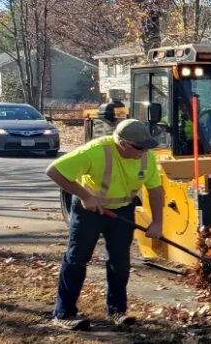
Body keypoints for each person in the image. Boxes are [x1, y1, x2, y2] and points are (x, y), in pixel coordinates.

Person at [45, 119, 165, 330]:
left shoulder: (146, 157)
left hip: (122, 210)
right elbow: (54, 170)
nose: (143, 152)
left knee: (120, 261)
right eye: (138, 147)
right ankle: (63, 313)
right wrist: (85, 196)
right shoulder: (95, 151)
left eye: (146, 147)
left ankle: (117, 311)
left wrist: (157, 222)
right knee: (77, 258)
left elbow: (155, 190)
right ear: (122, 143)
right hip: (89, 211)